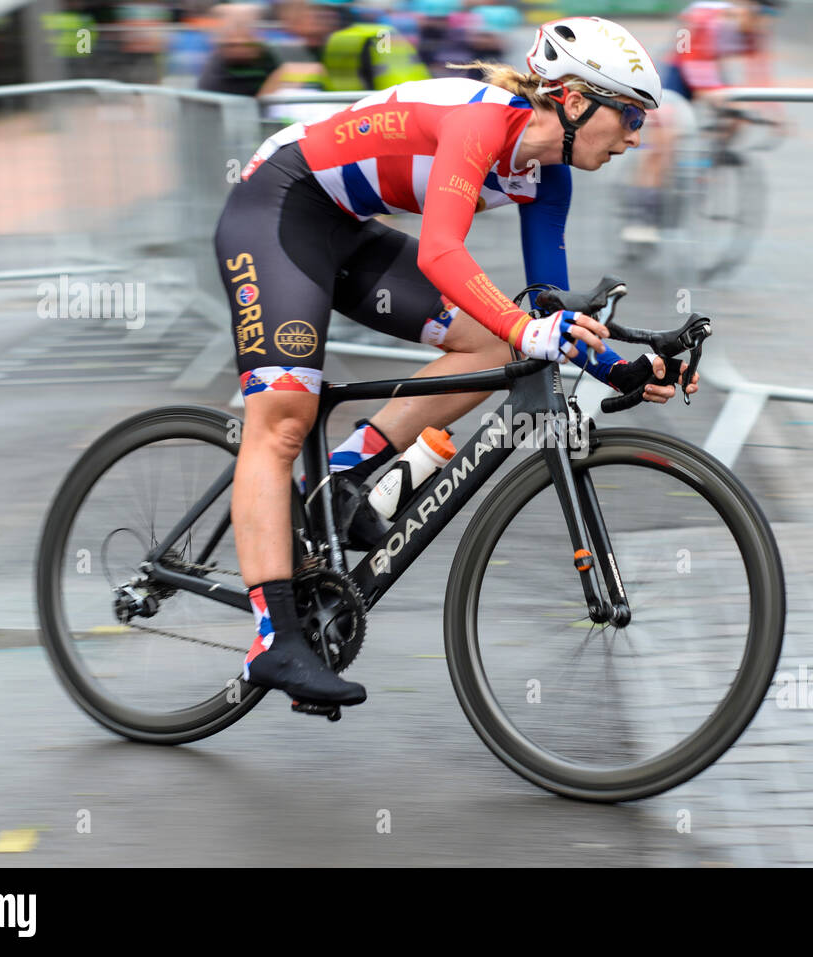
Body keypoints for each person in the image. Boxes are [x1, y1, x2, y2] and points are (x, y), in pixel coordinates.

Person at [213, 16, 700, 709]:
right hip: (278, 206)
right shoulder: (481, 126)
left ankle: (345, 478)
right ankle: (273, 638)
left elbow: (545, 307)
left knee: (495, 341)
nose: (636, 136)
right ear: (570, 98)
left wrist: (623, 369)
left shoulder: (548, 177)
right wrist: (529, 326)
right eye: (626, 114)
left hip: (346, 229)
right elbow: (442, 251)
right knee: (283, 421)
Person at [625, 0, 776, 245]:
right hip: (679, 70)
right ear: (744, 7)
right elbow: (692, 65)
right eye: (760, 13)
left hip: (710, 67)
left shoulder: (756, 30)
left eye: (769, 16)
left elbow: (760, 76)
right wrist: (715, 97)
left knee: (737, 118)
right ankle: (641, 216)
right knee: (663, 144)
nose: (762, 22)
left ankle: (704, 168)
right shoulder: (708, 20)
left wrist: (775, 115)